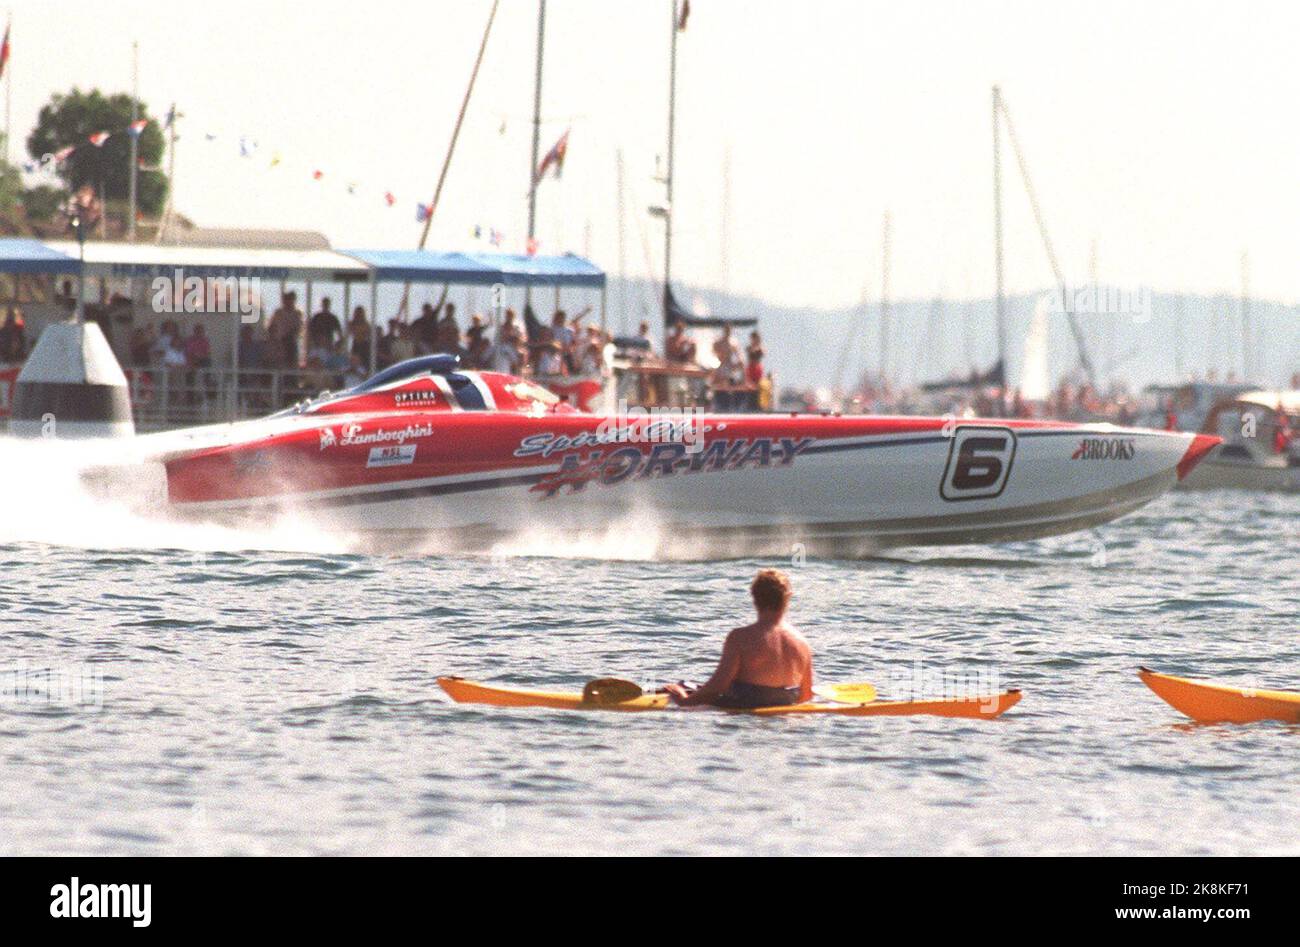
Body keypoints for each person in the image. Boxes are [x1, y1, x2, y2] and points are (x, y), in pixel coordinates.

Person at [664, 569, 813, 708]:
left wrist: (684, 700)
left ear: (755, 598)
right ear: (787, 598)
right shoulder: (802, 643)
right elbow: (806, 696)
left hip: (745, 712)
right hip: (785, 707)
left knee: (683, 686)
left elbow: (716, 688)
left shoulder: (740, 638)